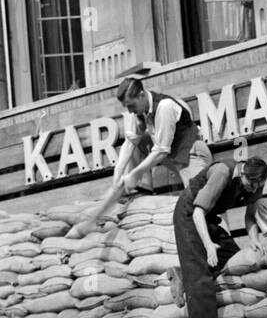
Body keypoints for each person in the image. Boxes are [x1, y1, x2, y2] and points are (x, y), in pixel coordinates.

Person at [69, 77, 212, 237]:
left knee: (204, 207)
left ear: (142, 94)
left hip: (192, 154)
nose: (129, 111)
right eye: (126, 107)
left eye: (131, 105)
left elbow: (161, 151)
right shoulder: (139, 111)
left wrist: (134, 174)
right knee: (139, 141)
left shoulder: (164, 107)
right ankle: (143, 188)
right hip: (173, 156)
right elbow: (130, 143)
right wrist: (118, 173)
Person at [171, 156, 267, 318]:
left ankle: (182, 274)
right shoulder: (223, 172)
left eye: (259, 184)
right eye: (251, 182)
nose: (254, 188)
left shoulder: (256, 181)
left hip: (208, 217)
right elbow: (198, 211)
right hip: (190, 214)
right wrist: (208, 246)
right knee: (200, 268)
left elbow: (250, 215)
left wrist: (254, 239)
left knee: (233, 259)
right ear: (242, 172)